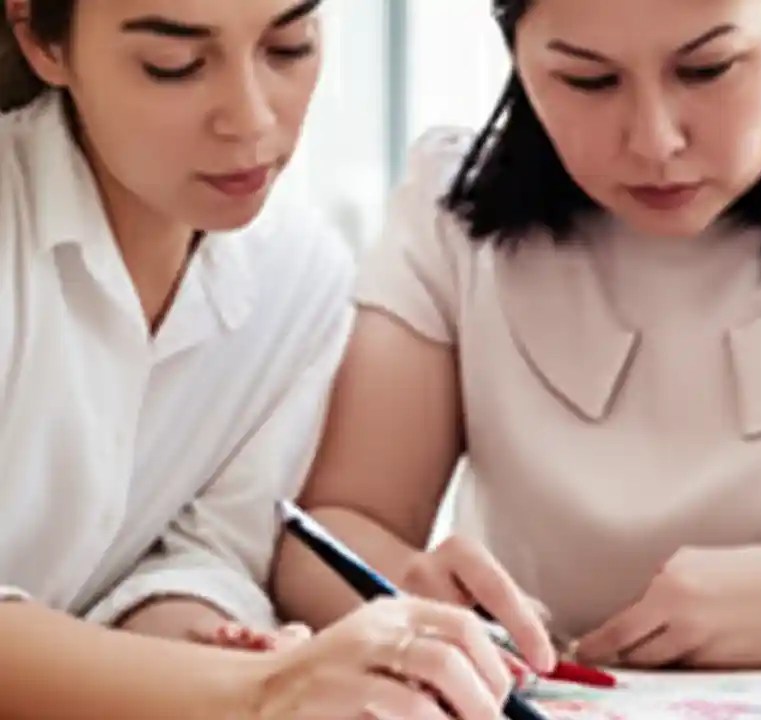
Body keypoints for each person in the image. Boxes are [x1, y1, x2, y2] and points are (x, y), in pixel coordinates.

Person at [276, 0, 761, 669]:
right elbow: (330, 535)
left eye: (708, 69)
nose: (654, 141)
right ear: (516, 55)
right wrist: (411, 591)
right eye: (588, 80)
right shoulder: (451, 220)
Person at [0, 0, 549, 717]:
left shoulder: (298, 275)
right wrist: (253, 691)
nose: (251, 120)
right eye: (175, 65)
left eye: (289, 46)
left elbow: (203, 551)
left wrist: (217, 641)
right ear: (40, 40)